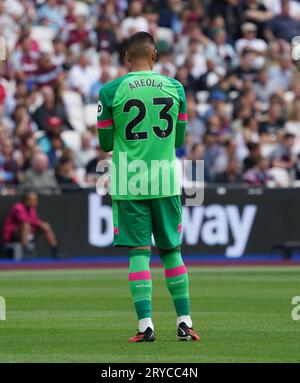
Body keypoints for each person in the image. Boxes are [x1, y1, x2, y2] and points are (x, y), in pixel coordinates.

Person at [97, 32, 200, 343]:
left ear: (128, 58)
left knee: (139, 253)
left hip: (130, 182)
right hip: (166, 179)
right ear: (154, 56)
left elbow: (104, 143)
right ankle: (184, 321)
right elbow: (180, 140)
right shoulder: (175, 87)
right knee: (172, 251)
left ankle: (146, 325)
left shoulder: (110, 90)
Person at [2, 191, 60, 258]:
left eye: (36, 200)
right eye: (33, 200)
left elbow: (34, 221)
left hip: (28, 230)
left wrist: (41, 224)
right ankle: (25, 252)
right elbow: (24, 220)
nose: (36, 202)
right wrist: (38, 223)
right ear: (26, 200)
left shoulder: (32, 209)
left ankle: (55, 251)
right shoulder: (17, 207)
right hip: (12, 234)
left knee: (46, 226)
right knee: (26, 225)